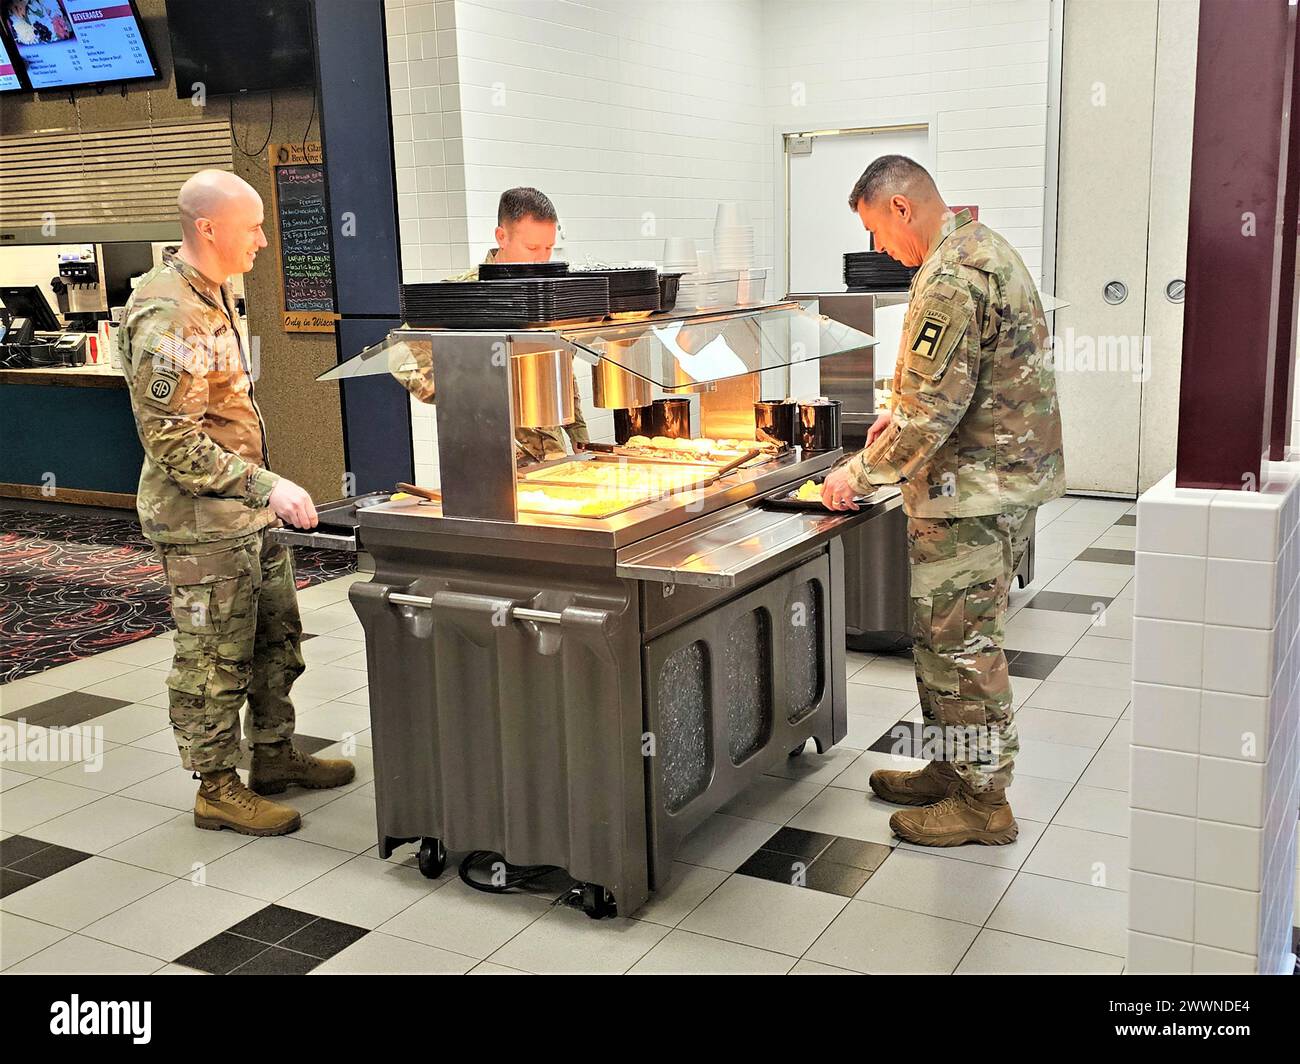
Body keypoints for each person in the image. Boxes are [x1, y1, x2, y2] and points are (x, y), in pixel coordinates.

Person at [821, 155, 1065, 847]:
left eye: (877, 232)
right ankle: (954, 772)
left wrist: (857, 475)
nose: (879, 251)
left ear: (901, 208)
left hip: (976, 494)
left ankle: (985, 803)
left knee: (963, 649)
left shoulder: (951, 276)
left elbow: (933, 411)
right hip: (987, 483)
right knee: (943, 642)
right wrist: (892, 418)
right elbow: (944, 392)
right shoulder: (975, 249)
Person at [118, 169, 354, 837]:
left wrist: (260, 494)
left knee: (276, 638)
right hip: (201, 525)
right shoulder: (168, 311)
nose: (263, 241)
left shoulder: (212, 293)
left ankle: (273, 758)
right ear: (209, 227)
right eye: (252, 228)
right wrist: (266, 485)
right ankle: (217, 789)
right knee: (214, 658)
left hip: (245, 514)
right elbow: (170, 439)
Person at [446, 186, 589, 463]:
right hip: (491, 456)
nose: (541, 259)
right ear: (502, 236)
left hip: (551, 454)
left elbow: (561, 370)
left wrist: (578, 432)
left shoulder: (549, 295)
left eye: (548, 248)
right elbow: (406, 361)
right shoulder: (463, 293)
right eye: (532, 248)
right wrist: (466, 395)